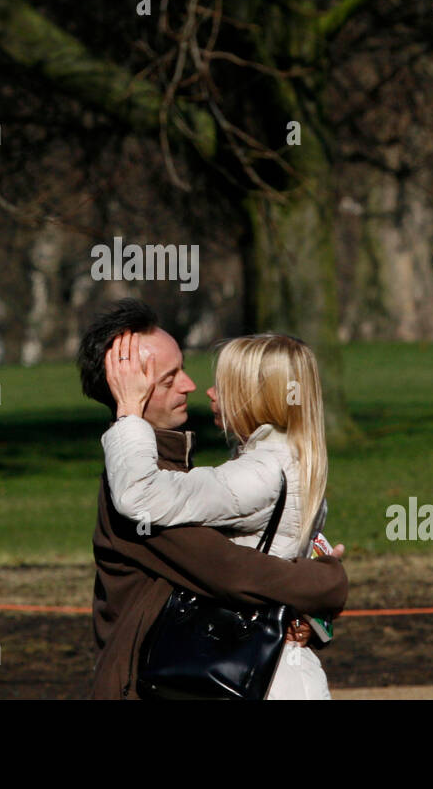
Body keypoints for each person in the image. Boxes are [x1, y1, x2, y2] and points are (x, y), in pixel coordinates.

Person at [78, 298, 347, 699]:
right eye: (169, 381)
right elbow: (233, 572)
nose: (190, 386)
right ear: (127, 391)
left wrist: (302, 615)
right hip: (146, 686)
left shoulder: (190, 472)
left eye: (183, 369)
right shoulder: (134, 495)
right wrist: (327, 582)